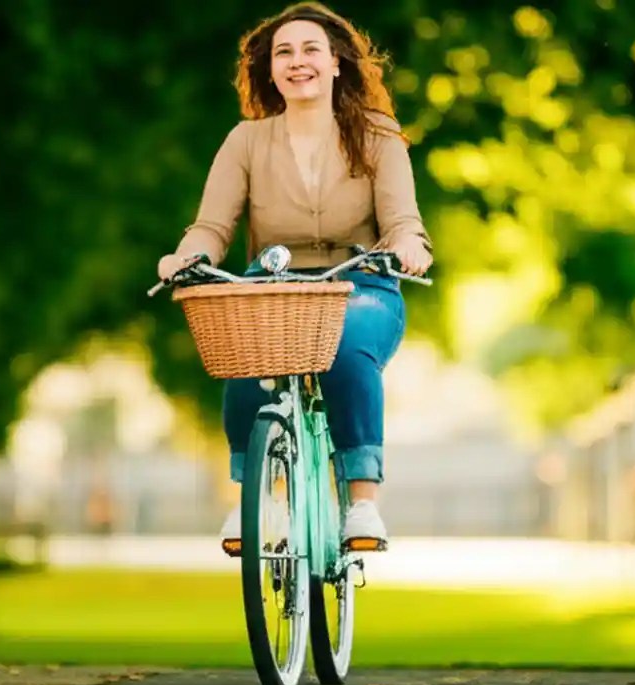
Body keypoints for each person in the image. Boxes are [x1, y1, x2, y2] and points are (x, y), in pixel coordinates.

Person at [156, 1, 433, 554]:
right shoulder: (246, 142)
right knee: (243, 353)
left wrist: (407, 247)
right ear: (270, 68)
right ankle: (254, 499)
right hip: (273, 287)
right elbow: (211, 227)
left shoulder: (377, 135)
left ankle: (361, 502)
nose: (297, 61)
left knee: (348, 345)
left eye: (311, 49)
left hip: (360, 284)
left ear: (336, 63)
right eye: (284, 52)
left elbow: (404, 221)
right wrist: (185, 256)